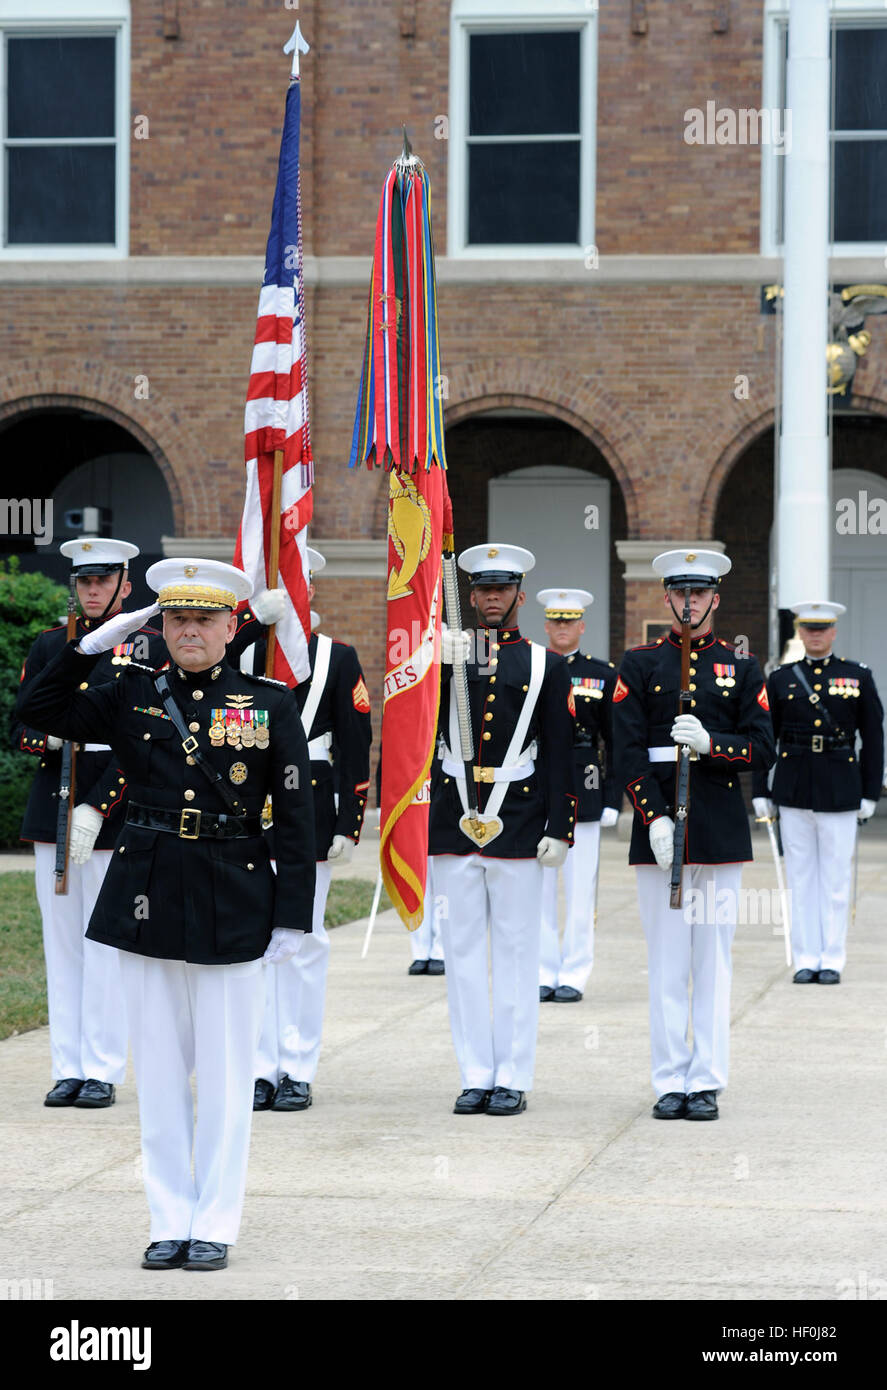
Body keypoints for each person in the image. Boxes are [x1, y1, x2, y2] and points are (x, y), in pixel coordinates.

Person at [17, 558, 315, 1271]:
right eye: (177, 618)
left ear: (231, 628)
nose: (189, 631)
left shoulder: (268, 704)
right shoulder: (129, 691)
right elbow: (37, 711)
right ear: (160, 625)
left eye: (204, 620)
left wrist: (291, 915)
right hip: (145, 890)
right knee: (156, 1071)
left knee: (224, 1072)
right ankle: (167, 1217)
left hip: (233, 892)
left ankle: (213, 1221)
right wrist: (89, 645)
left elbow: (297, 815)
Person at [613, 550, 774, 1122]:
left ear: (715, 599)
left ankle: (705, 1079)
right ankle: (668, 1079)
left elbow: (762, 747)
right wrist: (653, 817)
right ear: (666, 598)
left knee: (712, 962)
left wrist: (713, 745)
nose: (689, 602)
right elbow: (625, 749)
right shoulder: (641, 664)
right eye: (680, 592)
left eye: (699, 593)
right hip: (659, 830)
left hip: (718, 830)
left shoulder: (741, 666)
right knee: (666, 962)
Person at [13, 537, 165, 1109]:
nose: (92, 590)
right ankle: (68, 1066)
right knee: (62, 946)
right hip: (53, 803)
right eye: (84, 581)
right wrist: (50, 736)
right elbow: (21, 722)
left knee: (103, 943)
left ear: (126, 585)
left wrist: (99, 804)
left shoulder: (147, 645)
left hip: (112, 808)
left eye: (103, 580)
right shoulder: (51, 643)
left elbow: (146, 735)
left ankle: (101, 1068)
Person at [430, 544, 577, 1116]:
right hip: (453, 817)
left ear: (520, 594)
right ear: (470, 596)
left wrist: (561, 826)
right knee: (461, 952)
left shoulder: (546, 665)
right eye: (483, 589)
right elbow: (417, 733)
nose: (492, 597)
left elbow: (561, 751)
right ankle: (475, 1073)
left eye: (502, 588)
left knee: (517, 951)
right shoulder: (445, 657)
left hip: (518, 820)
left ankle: (512, 1074)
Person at [234, 549, 372, 1113]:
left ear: (310, 590)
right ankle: (258, 1067)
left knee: (304, 941)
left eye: (298, 585)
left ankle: (296, 1066)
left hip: (309, 812)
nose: (291, 595)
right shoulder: (243, 650)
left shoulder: (338, 657)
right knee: (250, 943)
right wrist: (251, 623)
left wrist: (349, 822)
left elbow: (356, 746)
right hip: (244, 810)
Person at [752, 601, 883, 984]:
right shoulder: (781, 679)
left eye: (822, 628)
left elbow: (873, 738)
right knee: (801, 877)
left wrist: (870, 792)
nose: (815, 635)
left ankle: (832, 958)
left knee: (836, 880)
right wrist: (760, 789)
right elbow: (764, 738)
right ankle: (805, 958)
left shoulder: (857, 676)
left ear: (833, 632)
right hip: (793, 788)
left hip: (840, 788)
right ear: (800, 632)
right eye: (809, 628)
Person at [535, 588, 619, 1003]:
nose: (563, 627)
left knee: (580, 888)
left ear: (582, 626)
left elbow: (616, 740)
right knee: (539, 888)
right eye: (556, 620)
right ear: (546, 625)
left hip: (584, 781)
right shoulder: (532, 666)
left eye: (570, 621)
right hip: (538, 782)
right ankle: (542, 969)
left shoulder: (602, 675)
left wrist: (613, 798)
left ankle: (575, 971)